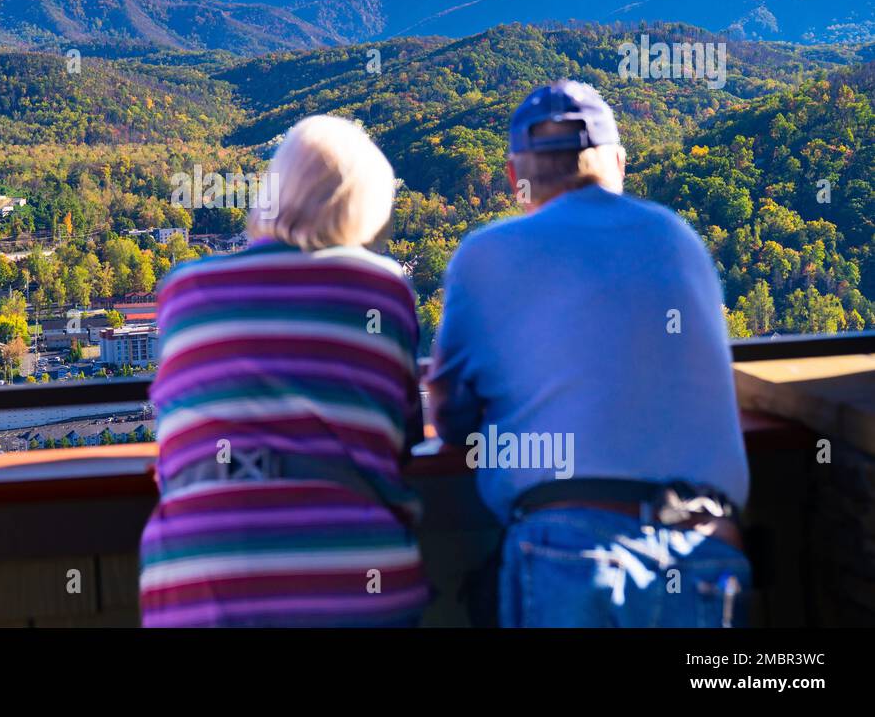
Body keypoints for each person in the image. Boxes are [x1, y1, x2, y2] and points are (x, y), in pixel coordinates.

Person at [427, 80, 751, 628]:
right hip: (705, 547)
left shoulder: (487, 254)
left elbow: (451, 415)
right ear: (619, 164)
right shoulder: (679, 239)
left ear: (514, 179)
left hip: (568, 548)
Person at [139, 114, 430, 627]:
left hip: (199, 583)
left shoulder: (186, 290)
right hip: (357, 580)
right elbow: (400, 442)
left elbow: (176, 433)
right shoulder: (384, 292)